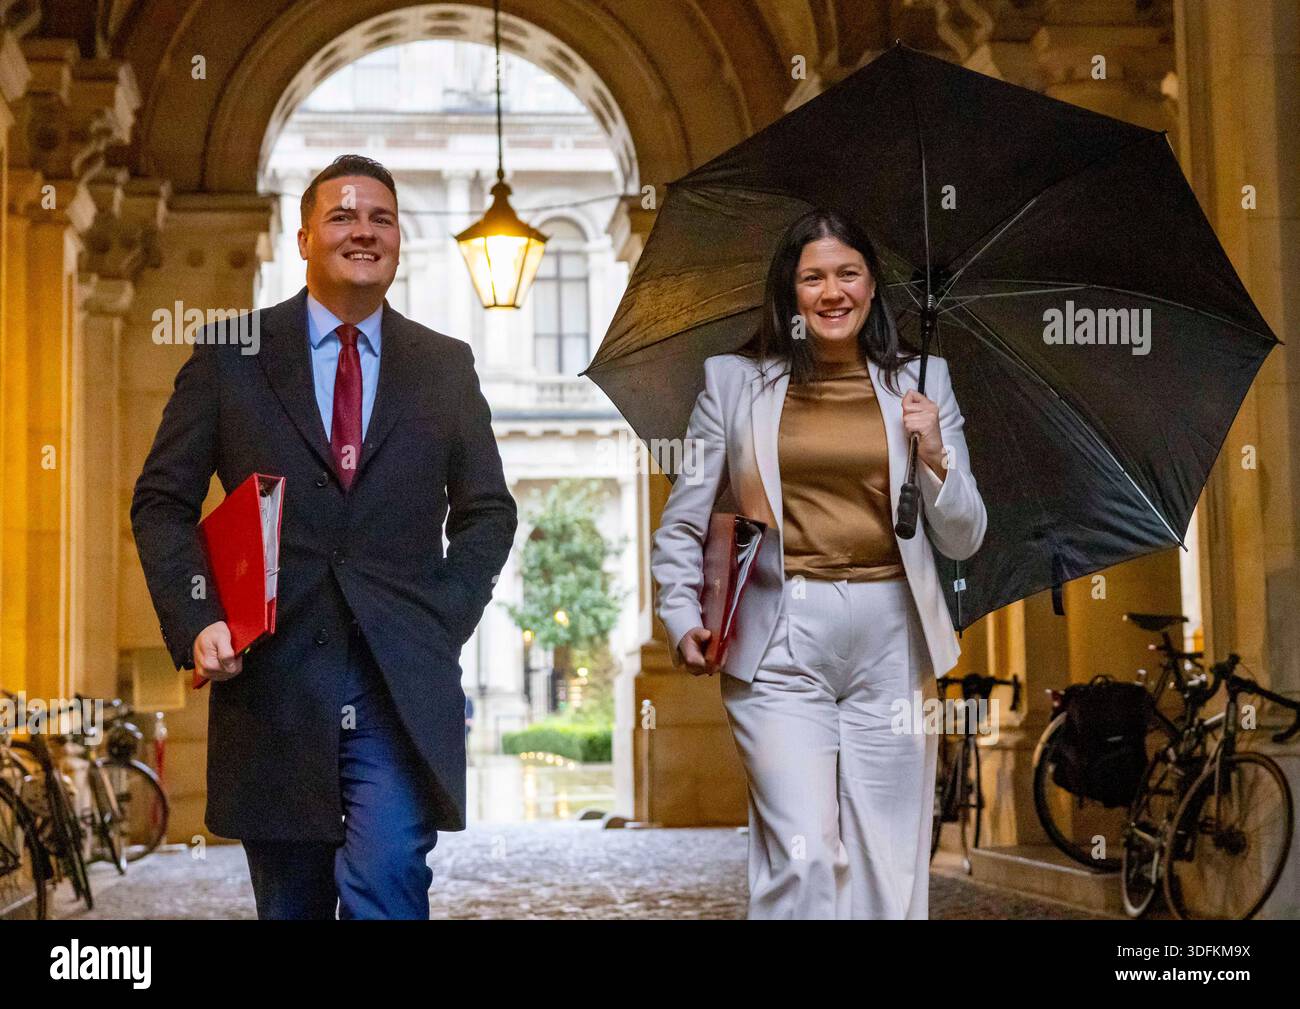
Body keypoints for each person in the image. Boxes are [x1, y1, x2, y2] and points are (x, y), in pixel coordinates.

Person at [131, 154, 518, 919]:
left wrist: (441, 618)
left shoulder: (445, 366)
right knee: (291, 905)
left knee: (389, 878)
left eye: (381, 218)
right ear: (303, 235)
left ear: (400, 240)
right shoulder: (229, 354)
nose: (363, 231)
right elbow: (161, 501)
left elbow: (488, 512)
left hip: (397, 681)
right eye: (343, 216)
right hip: (275, 683)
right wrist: (198, 613)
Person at [650, 208, 987, 919]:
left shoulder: (923, 386)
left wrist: (933, 453)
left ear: (872, 287)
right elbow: (684, 515)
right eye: (813, 277)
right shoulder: (735, 383)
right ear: (789, 293)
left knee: (887, 867)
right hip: (779, 634)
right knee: (803, 853)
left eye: (848, 273)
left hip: (893, 634)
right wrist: (681, 616)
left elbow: (962, 535)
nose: (832, 291)